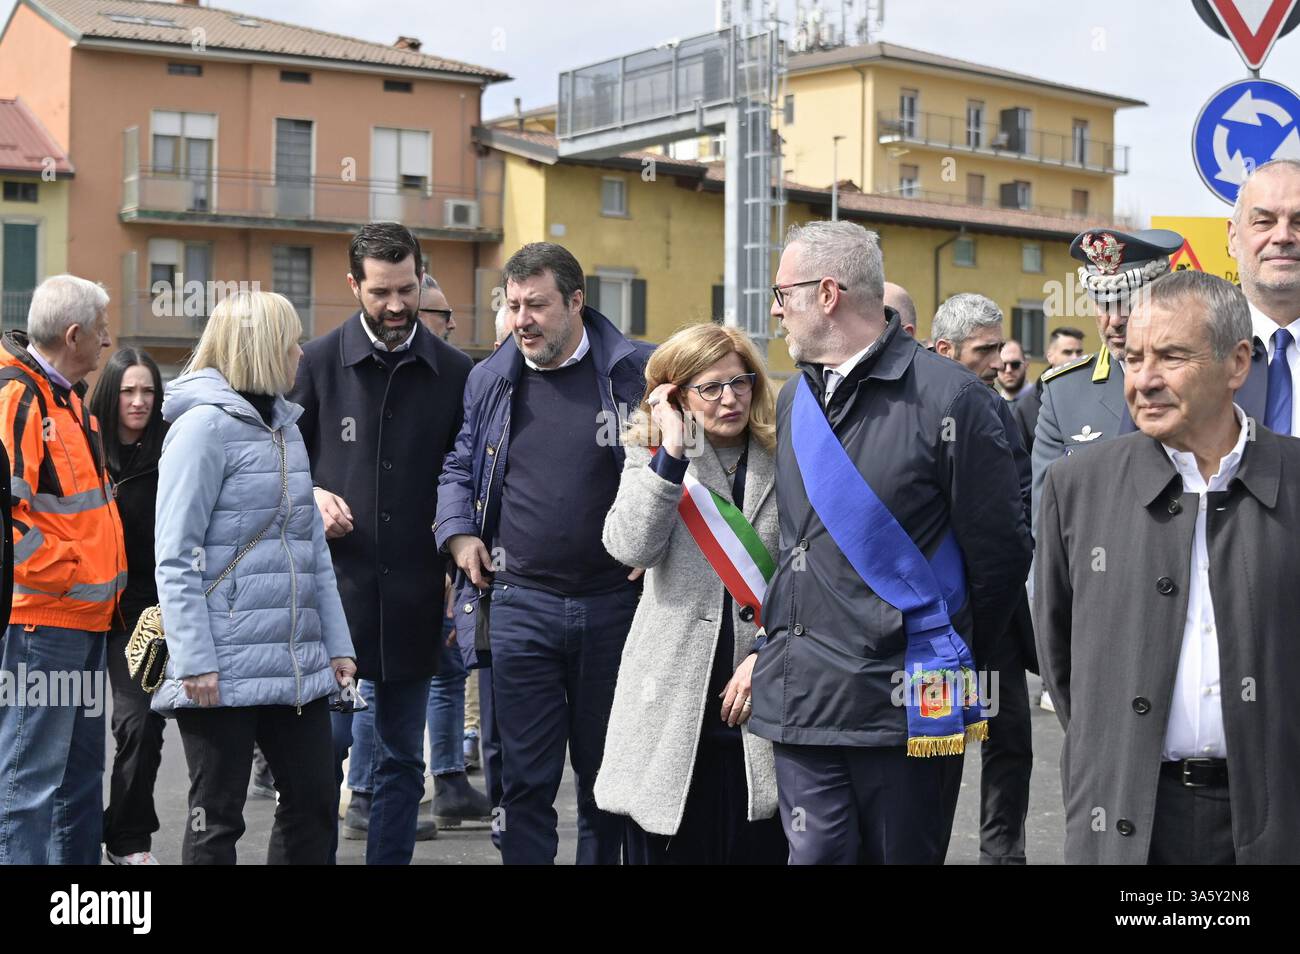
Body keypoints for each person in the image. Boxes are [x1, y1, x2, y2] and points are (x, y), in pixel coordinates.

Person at [750, 221, 1031, 865]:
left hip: (906, 696)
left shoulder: (953, 398)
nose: (774, 308)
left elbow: (1000, 556)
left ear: (827, 293)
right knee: (814, 854)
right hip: (803, 693)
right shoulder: (795, 398)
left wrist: (945, 650)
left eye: (781, 291)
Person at [1035, 269, 1300, 864]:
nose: (1145, 380)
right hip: (1132, 820)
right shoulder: (1078, 485)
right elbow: (1061, 656)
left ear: (1237, 365)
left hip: (1273, 822)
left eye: (1172, 357)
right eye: (1133, 358)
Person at [436, 242, 653, 865]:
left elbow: (682, 468)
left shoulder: (635, 371)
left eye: (536, 305)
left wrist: (658, 539)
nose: (521, 320)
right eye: (512, 306)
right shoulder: (490, 379)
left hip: (616, 606)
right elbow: (458, 465)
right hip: (519, 604)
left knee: (606, 777)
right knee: (521, 780)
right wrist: (458, 532)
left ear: (577, 302)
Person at [290, 223, 473, 865]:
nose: (396, 306)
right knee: (315, 757)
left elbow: (466, 472)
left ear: (422, 277)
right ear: (353, 286)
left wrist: (457, 555)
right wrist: (309, 495)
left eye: (407, 288)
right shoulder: (313, 363)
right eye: (380, 292)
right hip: (327, 598)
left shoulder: (456, 371)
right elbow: (277, 461)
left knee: (400, 760)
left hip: (416, 596)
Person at [153, 290, 356, 865]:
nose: (300, 350)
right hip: (221, 662)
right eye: (290, 339)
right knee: (216, 818)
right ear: (263, 348)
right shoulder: (201, 430)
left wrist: (336, 646)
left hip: (294, 660)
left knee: (315, 800)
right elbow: (175, 553)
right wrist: (195, 658)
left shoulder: (285, 428)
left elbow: (311, 548)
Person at [597, 323, 786, 864]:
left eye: (741, 381)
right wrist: (671, 455)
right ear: (675, 396)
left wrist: (767, 648)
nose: (731, 398)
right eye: (711, 387)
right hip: (673, 697)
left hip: (760, 693)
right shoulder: (651, 454)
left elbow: (807, 567)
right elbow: (630, 546)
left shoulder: (784, 455)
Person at [0, 274, 123, 865]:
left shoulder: (67, 397)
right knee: (27, 788)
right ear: (73, 335)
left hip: (81, 620)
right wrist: (71, 572)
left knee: (76, 783)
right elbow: (10, 522)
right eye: (100, 332)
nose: (107, 342)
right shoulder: (18, 397)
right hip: (42, 623)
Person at [931, 292, 1035, 864]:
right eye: (985, 349)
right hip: (934, 628)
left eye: (1000, 347)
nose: (999, 361)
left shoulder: (1000, 410)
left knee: (1010, 742)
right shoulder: (913, 410)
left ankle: (1002, 856)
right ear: (945, 349)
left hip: (997, 622)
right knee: (935, 750)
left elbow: (1019, 505)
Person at [1031, 228, 1184, 529]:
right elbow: (1047, 521)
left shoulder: (1201, 380)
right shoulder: (1064, 393)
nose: (1114, 321)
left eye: (1128, 303)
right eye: (1103, 304)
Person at [89, 348, 168, 865]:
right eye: (128, 391)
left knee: (141, 724)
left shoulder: (172, 447)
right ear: (111, 393)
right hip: (80, 606)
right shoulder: (85, 444)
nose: (138, 402)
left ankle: (127, 839)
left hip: (146, 611)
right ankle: (69, 833)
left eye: (148, 392)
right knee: (64, 729)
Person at [1226, 157, 1300, 436]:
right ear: (1233, 238)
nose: (1283, 236)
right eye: (1264, 221)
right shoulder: (1193, 349)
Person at [1013, 327, 1085, 455]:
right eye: (1067, 352)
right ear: (1050, 356)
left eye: (1079, 352)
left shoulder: (1093, 395)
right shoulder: (1027, 407)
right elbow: (1020, 462)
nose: (1075, 358)